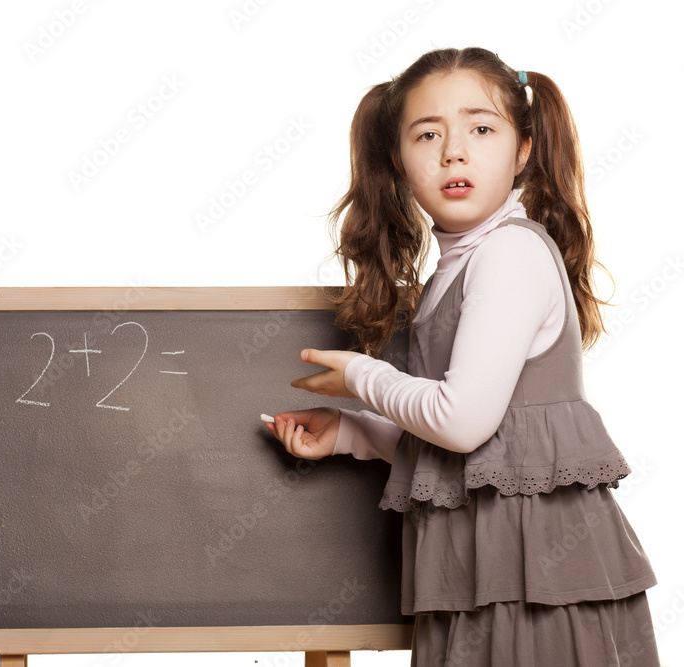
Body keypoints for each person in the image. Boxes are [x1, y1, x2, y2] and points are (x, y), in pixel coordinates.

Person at [266, 47, 660, 665]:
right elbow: (482, 455)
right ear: (397, 161)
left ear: (523, 150)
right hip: (485, 570)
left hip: (533, 576)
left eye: (481, 129)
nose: (454, 152)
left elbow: (462, 422)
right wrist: (352, 433)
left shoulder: (508, 254)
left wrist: (363, 376)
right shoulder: (455, 272)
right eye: (428, 135)